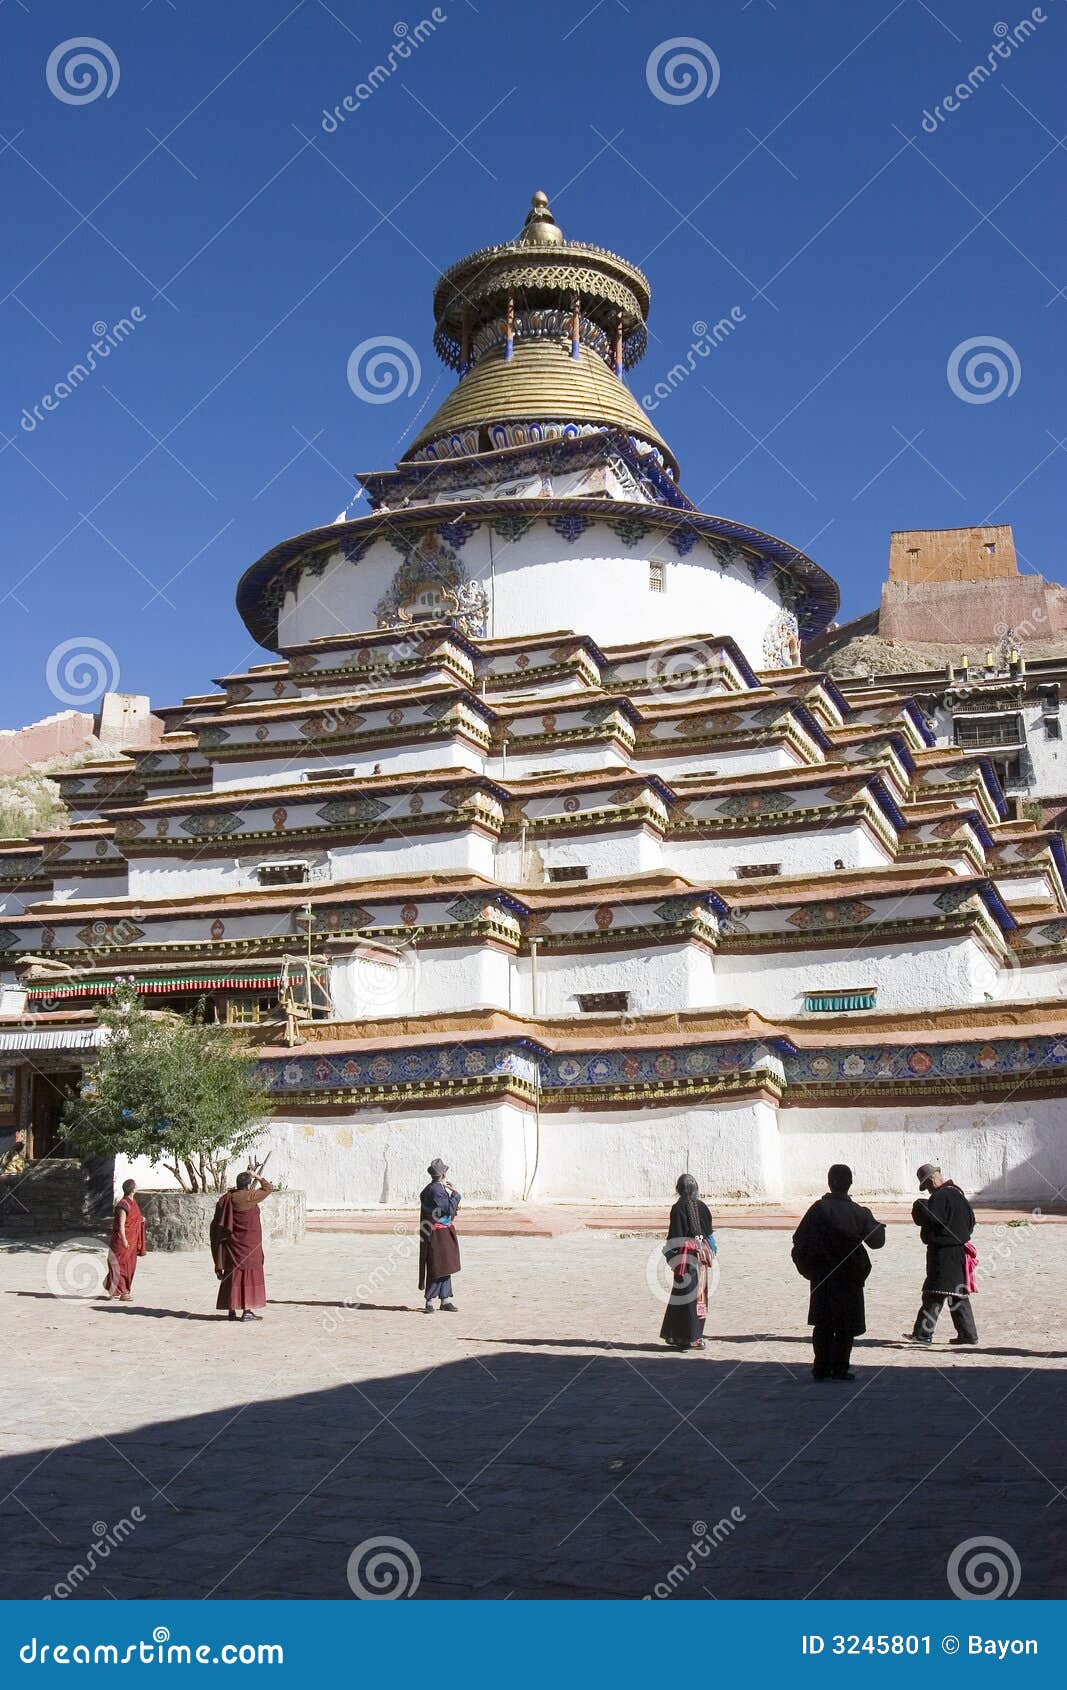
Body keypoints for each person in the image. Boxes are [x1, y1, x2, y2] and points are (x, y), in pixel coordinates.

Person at [791, 1165, 886, 1382]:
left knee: (823, 1322)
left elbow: (799, 1240)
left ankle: (821, 1367)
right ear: (850, 1183)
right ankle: (841, 1367)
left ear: (829, 1182)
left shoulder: (817, 1209)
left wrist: (808, 1267)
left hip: (822, 1274)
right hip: (849, 1275)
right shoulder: (858, 1212)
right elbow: (877, 1242)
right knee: (845, 1325)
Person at [905, 1162, 978, 1346]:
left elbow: (929, 1218)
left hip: (943, 1254)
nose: (928, 1191)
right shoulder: (959, 1194)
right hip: (959, 1251)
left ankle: (922, 1334)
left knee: (934, 1293)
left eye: (928, 1186)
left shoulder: (940, 1197)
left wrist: (919, 1206)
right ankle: (968, 1334)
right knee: (957, 1295)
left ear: (932, 1180)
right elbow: (971, 1222)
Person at [660, 1174, 716, 1352]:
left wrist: (669, 1256)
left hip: (684, 1259)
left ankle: (688, 1337)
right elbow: (710, 1236)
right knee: (698, 1298)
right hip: (700, 1259)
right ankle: (693, 1335)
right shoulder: (703, 1207)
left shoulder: (677, 1208)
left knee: (684, 1299)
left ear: (678, 1189)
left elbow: (675, 1237)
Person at [211, 1170, 273, 1322]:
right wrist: (257, 1175)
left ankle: (231, 1310)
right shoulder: (250, 1197)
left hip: (232, 1245)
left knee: (232, 1275)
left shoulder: (226, 1198)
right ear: (248, 1185)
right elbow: (269, 1188)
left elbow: (217, 1224)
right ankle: (247, 1311)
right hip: (249, 1245)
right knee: (248, 1277)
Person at [419, 1158, 461, 1313]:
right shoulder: (436, 1191)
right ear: (443, 1174)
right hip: (438, 1233)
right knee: (436, 1265)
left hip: (439, 1232)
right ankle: (430, 1301)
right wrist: (455, 1194)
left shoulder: (432, 1189)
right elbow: (448, 1209)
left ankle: (445, 1299)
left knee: (445, 1264)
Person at [102, 1178, 146, 1301]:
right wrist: (124, 1240)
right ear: (132, 1189)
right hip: (122, 1241)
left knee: (129, 1266)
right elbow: (122, 1224)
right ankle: (123, 1292)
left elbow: (134, 1217)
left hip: (132, 1240)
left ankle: (116, 1288)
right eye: (135, 1186)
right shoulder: (123, 1205)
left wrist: (141, 1219)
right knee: (119, 1264)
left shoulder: (133, 1203)